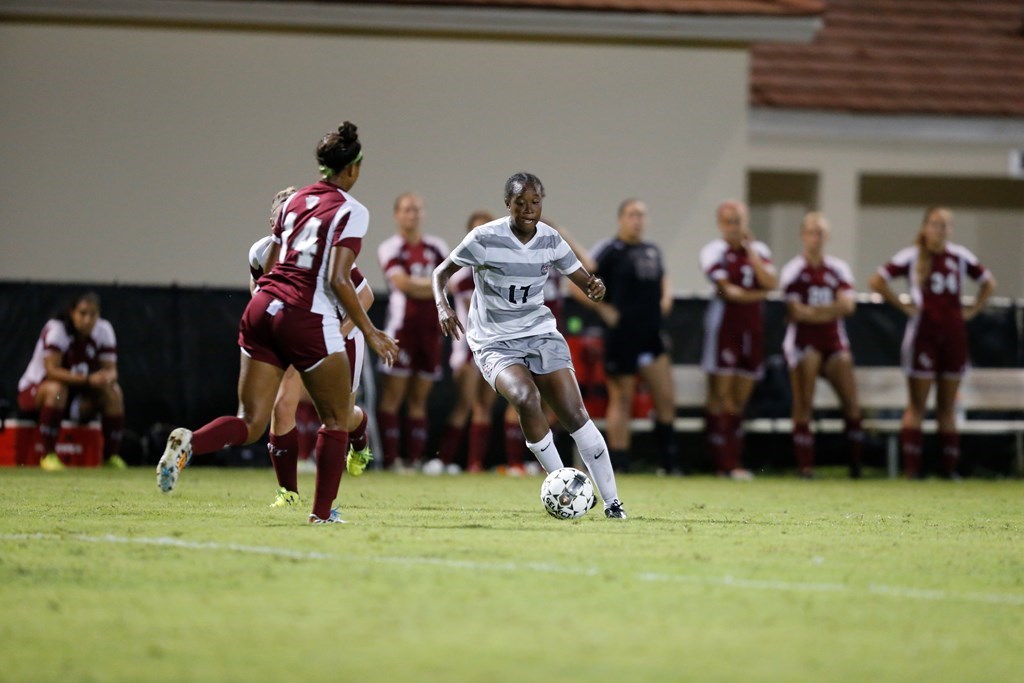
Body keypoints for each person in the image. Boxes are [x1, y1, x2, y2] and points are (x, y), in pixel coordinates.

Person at [157, 121, 399, 524]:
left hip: (262, 307)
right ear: (354, 168)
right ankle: (322, 514)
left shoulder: (295, 200)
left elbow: (271, 265)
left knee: (251, 421)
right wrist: (370, 332)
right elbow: (339, 278)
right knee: (335, 418)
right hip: (306, 314)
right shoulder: (352, 210)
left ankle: (191, 441)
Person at [432, 172, 627, 518]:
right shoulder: (484, 237)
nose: (527, 209)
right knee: (525, 397)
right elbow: (440, 273)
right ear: (508, 204)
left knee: (575, 414)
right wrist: (442, 306)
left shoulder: (550, 239)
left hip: (540, 334)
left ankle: (613, 503)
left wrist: (595, 288)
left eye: (534, 202)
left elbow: (584, 280)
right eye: (520, 202)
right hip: (494, 341)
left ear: (541, 203)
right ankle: (563, 484)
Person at [247, 188, 376, 508]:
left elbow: (366, 296)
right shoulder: (261, 252)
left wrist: (335, 334)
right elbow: (259, 293)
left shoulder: (323, 250)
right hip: (296, 334)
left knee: (339, 415)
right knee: (282, 406)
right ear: (273, 220)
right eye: (282, 211)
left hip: (339, 335)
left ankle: (360, 433)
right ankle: (287, 491)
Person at [868, 207, 995, 479]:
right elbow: (877, 280)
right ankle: (912, 470)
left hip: (954, 336)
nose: (940, 229)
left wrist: (974, 309)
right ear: (925, 227)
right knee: (918, 404)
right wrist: (902, 305)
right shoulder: (912, 255)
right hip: (923, 335)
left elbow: (989, 282)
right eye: (936, 223)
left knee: (947, 407)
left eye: (946, 225)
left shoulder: (959, 256)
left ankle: (949, 470)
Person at [575, 198, 677, 475]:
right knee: (621, 398)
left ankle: (669, 463)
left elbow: (663, 278)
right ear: (621, 219)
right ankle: (620, 463)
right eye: (632, 215)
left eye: (642, 215)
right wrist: (604, 309)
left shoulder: (652, 250)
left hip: (651, 334)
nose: (637, 220)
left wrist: (665, 298)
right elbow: (577, 284)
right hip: (621, 335)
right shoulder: (610, 250)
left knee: (665, 397)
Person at [779, 212, 863, 479]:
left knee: (851, 401)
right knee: (804, 402)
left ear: (827, 236)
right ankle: (805, 466)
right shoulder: (793, 269)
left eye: (820, 233)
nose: (816, 238)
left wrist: (813, 312)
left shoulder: (838, 268)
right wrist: (830, 310)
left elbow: (848, 306)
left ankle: (856, 465)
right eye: (811, 232)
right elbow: (795, 312)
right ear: (802, 235)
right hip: (803, 342)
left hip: (833, 341)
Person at [699, 200, 777, 480]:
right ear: (721, 224)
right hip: (724, 327)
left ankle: (732, 461)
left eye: (739, 221)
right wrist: (760, 294)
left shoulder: (760, 251)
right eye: (729, 222)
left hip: (752, 328)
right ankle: (721, 463)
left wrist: (752, 254)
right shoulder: (714, 251)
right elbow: (727, 291)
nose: (735, 227)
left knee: (739, 400)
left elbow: (771, 282)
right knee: (720, 396)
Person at [376, 194, 449, 471]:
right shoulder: (390, 247)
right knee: (392, 396)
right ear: (397, 214)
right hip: (401, 330)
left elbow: (450, 281)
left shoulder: (436, 246)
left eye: (417, 209)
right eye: (407, 210)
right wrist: (433, 285)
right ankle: (391, 460)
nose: (412, 215)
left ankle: (414, 460)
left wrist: (427, 285)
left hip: (430, 331)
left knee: (419, 399)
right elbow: (402, 283)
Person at [17, 292, 126, 470]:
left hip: (72, 400)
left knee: (114, 393)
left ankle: (110, 457)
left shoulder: (104, 330)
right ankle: (48, 455)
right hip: (36, 394)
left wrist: (106, 378)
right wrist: (88, 380)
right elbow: (52, 371)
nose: (88, 319)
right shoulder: (57, 329)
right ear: (72, 313)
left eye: (93, 314)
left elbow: (112, 370)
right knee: (56, 390)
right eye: (82, 313)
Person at [429, 210, 498, 475]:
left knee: (485, 405)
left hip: (495, 345)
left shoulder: (501, 268)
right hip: (469, 348)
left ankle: (475, 464)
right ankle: (444, 460)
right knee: (465, 403)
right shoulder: (462, 273)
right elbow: (476, 308)